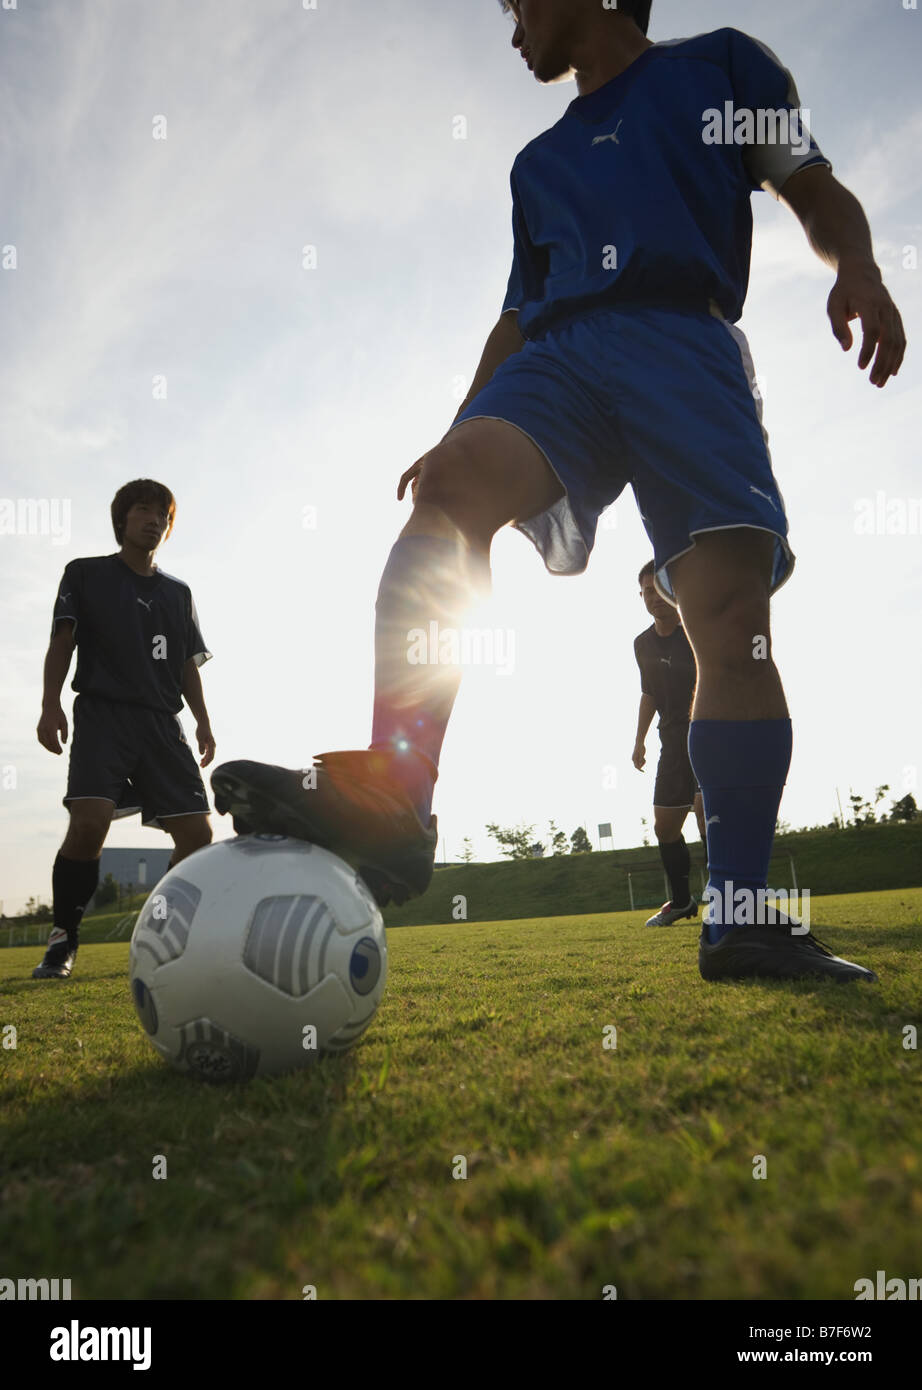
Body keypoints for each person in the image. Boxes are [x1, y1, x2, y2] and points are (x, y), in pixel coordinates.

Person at [210, 1, 904, 983]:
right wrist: (458, 423)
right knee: (451, 487)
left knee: (729, 615)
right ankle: (400, 793)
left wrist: (860, 268)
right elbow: (512, 319)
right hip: (564, 356)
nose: (510, 31)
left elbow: (812, 188)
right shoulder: (537, 167)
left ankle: (742, 914)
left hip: (682, 338)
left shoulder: (723, 69)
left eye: (517, 4)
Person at [33, 480, 215, 979]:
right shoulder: (85, 574)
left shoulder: (179, 593)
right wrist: (50, 705)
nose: (154, 519)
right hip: (102, 715)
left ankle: (158, 927)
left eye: (163, 514)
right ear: (123, 519)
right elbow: (62, 641)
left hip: (162, 723)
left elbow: (186, 664)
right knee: (90, 823)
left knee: (198, 833)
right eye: (143, 510)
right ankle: (63, 939)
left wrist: (202, 720)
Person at [633, 560, 707, 926]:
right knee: (665, 826)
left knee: (707, 815)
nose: (654, 597)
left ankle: (731, 899)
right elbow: (649, 692)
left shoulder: (698, 630)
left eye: (659, 589)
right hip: (671, 742)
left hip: (709, 734)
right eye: (647, 591)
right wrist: (639, 740)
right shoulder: (642, 644)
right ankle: (682, 902)